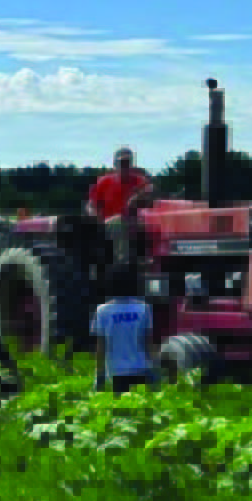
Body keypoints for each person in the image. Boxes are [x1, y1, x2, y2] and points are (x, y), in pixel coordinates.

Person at [91, 263, 158, 395]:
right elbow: (148, 343)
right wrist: (156, 369)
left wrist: (99, 374)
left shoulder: (102, 311)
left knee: (121, 411)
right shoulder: (143, 308)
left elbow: (101, 347)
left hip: (116, 372)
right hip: (141, 369)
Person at [88, 148, 157, 266]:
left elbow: (151, 191)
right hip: (109, 224)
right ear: (115, 164)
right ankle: (121, 263)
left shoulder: (139, 181)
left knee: (148, 227)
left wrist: (139, 197)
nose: (124, 166)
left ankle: (149, 260)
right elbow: (91, 205)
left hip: (134, 223)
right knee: (117, 222)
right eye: (121, 163)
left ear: (131, 164)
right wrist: (95, 219)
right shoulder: (104, 182)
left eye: (127, 163)